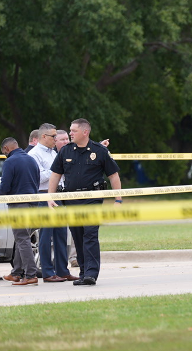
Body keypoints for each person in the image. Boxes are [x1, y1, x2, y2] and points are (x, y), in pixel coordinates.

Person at [47, 118, 122, 286]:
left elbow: (113, 176)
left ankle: (91, 273)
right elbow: (55, 175)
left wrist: (118, 199)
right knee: (78, 236)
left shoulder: (99, 151)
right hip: (71, 200)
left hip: (92, 200)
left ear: (85, 132)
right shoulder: (65, 151)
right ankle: (83, 273)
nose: (70, 133)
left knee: (90, 235)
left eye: (73, 131)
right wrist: (50, 197)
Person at [29, 123, 74, 282]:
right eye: (53, 136)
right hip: (43, 196)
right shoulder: (34, 154)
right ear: (43, 137)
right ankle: (47, 272)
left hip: (58, 195)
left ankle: (62, 270)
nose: (56, 139)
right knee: (46, 236)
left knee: (61, 234)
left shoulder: (54, 153)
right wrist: (56, 171)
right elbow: (39, 178)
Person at [0, 138, 40, 286]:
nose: (4, 154)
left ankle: (31, 274)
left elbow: (5, 186)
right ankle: (16, 273)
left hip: (19, 204)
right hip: (33, 204)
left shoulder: (10, 162)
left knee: (22, 239)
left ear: (6, 148)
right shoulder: (31, 160)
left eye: (3, 152)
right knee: (23, 238)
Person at [55, 130, 79, 271]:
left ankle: (75, 258)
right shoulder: (54, 156)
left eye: (67, 139)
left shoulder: (72, 152)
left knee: (75, 228)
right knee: (61, 232)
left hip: (70, 196)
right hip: (56, 198)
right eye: (62, 139)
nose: (66, 142)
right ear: (55, 141)